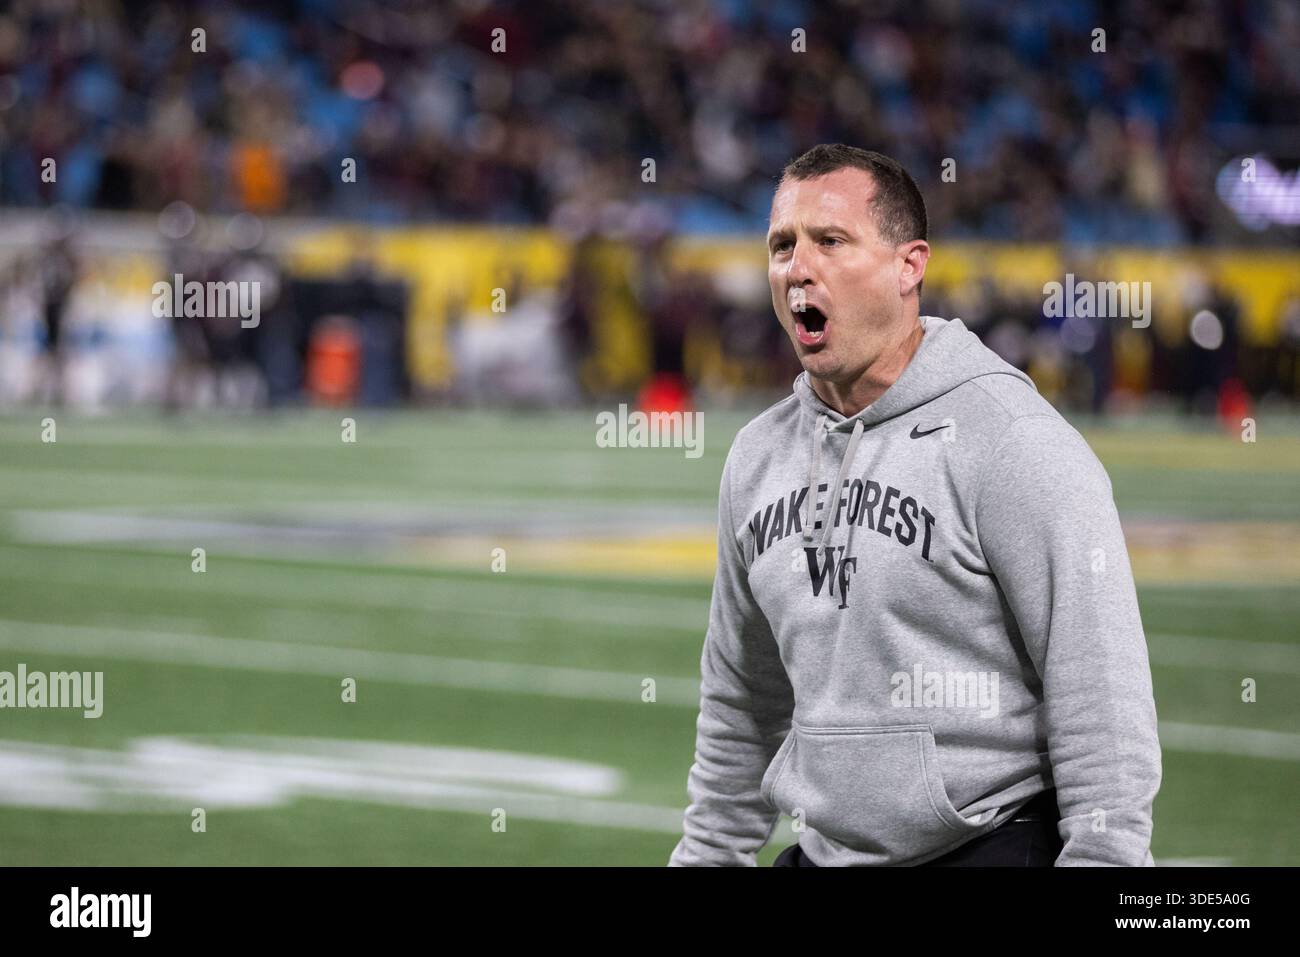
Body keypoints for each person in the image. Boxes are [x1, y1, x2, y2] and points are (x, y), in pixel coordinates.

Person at [668, 144, 1162, 867]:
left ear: (909, 266)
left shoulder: (1013, 440)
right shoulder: (757, 457)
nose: (797, 268)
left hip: (987, 844)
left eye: (830, 241)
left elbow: (1100, 691)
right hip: (829, 852)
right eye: (782, 245)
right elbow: (742, 704)